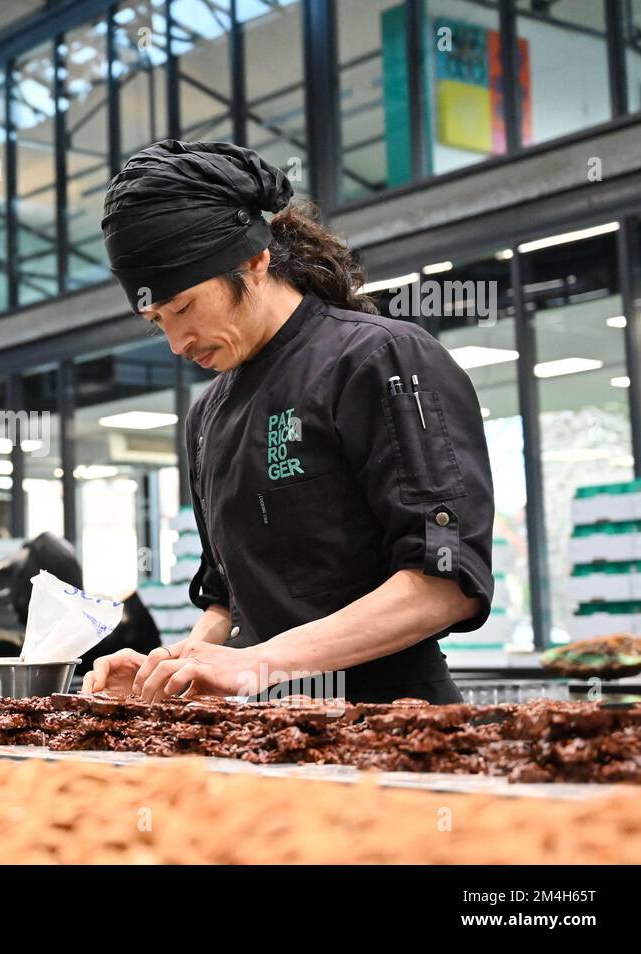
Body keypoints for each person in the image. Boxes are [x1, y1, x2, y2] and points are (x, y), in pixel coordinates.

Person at [83, 140, 494, 704]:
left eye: (183, 309)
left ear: (255, 262)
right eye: (157, 320)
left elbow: (447, 583)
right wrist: (172, 669)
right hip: (271, 733)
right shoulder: (208, 414)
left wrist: (257, 663)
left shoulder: (379, 361)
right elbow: (229, 600)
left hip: (392, 726)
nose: (176, 342)